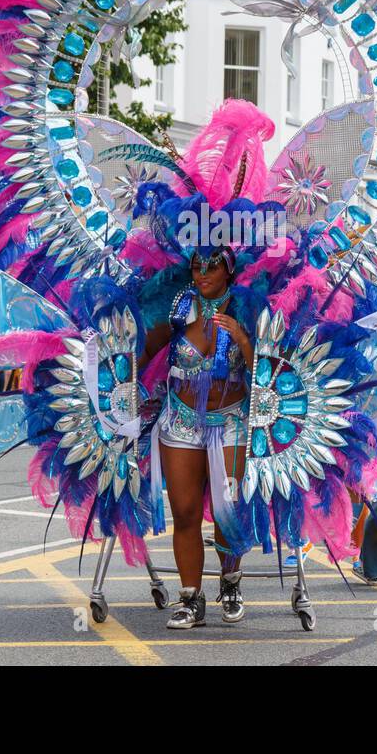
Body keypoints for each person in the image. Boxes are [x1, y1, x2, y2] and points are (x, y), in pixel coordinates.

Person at [141, 248, 254, 629]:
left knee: (228, 509)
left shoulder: (247, 308)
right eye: (196, 266)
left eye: (212, 266)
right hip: (181, 422)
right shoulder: (177, 308)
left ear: (229, 270)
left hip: (231, 422)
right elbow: (142, 352)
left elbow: (267, 365)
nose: (202, 273)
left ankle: (231, 582)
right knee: (185, 513)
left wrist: (240, 336)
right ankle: (190, 598)